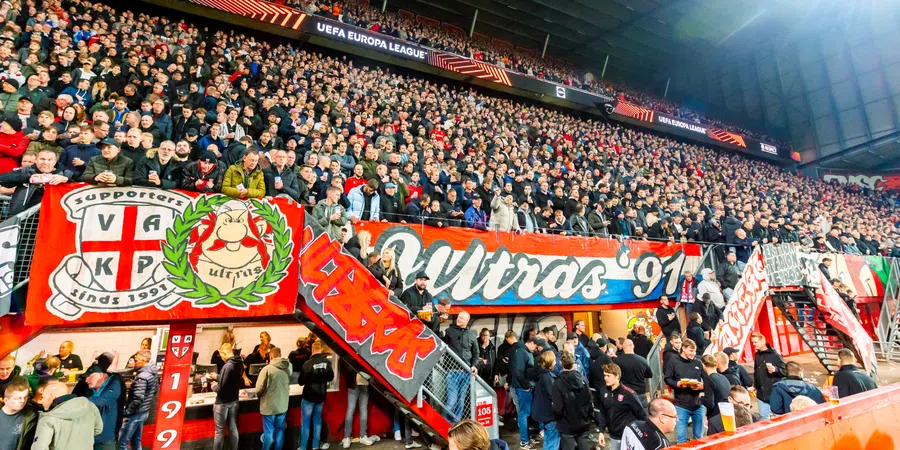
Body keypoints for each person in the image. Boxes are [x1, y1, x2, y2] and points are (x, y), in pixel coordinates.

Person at [31, 380, 102, 450]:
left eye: (43, 397)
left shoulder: (47, 419)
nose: (41, 402)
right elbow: (98, 429)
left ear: (52, 396)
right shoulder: (90, 406)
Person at [0, 149, 69, 215]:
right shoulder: (26, 172)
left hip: (53, 216)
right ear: (36, 160)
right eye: (42, 159)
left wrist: (66, 180)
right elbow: (3, 179)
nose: (45, 162)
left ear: (55, 162)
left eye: (49, 160)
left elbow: (76, 181)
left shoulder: (65, 174)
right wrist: (29, 178)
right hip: (24, 215)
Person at [550, 352, 595, 450]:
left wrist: (557, 418)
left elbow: (558, 408)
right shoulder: (583, 379)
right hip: (582, 423)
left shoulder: (558, 383)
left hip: (566, 425)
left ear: (561, 363)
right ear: (573, 363)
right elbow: (589, 400)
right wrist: (588, 417)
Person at [663, 338, 705, 444]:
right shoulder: (673, 361)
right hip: (681, 406)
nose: (693, 353)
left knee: (699, 438)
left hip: (698, 405)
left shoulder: (698, 362)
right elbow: (667, 378)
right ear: (684, 349)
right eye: (691, 350)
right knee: (681, 440)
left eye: (694, 351)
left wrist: (702, 387)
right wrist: (676, 384)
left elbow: (707, 380)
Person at [596, 363, 646, 450]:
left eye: (608, 376)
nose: (605, 378)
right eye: (604, 375)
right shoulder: (603, 391)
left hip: (628, 437)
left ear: (617, 376)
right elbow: (602, 412)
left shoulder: (629, 394)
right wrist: (601, 431)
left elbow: (642, 415)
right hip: (613, 437)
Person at [298, 340, 335, 450]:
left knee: (305, 423)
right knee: (317, 422)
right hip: (321, 396)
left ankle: (303, 447)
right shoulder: (327, 362)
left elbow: (301, 381)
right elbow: (331, 377)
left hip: (309, 396)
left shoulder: (308, 363)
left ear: (312, 349)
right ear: (321, 349)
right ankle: (315, 446)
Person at [119, 350, 158, 450]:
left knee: (122, 442)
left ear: (143, 361)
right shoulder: (153, 372)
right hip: (144, 411)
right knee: (136, 441)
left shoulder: (142, 376)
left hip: (135, 413)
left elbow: (137, 398)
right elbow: (155, 390)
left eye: (136, 361)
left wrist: (127, 412)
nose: (134, 363)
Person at [444, 311, 479, 421]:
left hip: (466, 373)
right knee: (452, 401)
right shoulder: (449, 331)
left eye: (461, 318)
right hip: (452, 371)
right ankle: (445, 424)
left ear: (467, 321)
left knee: (461, 401)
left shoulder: (472, 335)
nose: (458, 319)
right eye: (458, 317)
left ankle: (456, 423)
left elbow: (476, 353)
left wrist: (474, 365)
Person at [257, 346, 292, 450]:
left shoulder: (267, 369)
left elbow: (259, 388)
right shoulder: (288, 367)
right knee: (280, 430)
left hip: (269, 406)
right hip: (282, 405)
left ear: (271, 356)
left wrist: (259, 396)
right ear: (280, 355)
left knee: (268, 432)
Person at [83, 363, 125, 450]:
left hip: (106, 438)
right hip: (90, 436)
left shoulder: (114, 384)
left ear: (101, 375)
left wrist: (78, 401)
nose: (86, 380)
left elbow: (100, 401)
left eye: (89, 376)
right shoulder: (90, 390)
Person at [212, 343, 245, 450]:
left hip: (222, 403)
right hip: (234, 401)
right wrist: (217, 376)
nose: (221, 358)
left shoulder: (227, 366)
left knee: (219, 431)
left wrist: (213, 386)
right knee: (233, 428)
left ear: (224, 353)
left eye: (221, 355)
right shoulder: (239, 363)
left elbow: (220, 388)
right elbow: (230, 379)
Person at [342, 364, 380, 449]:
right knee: (351, 410)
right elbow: (348, 367)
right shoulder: (350, 358)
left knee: (363, 410)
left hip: (364, 384)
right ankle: (347, 437)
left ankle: (362, 436)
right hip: (354, 384)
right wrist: (362, 368)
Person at [510, 336, 537, 449]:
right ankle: (524, 441)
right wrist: (525, 386)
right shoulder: (522, 352)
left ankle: (527, 438)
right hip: (522, 388)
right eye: (535, 346)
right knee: (524, 414)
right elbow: (519, 372)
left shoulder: (525, 352)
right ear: (531, 343)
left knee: (526, 414)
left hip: (525, 387)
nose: (536, 348)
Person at [751, 332, 785, 419]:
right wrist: (755, 386)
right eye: (753, 342)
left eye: (755, 342)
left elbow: (785, 372)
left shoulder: (775, 355)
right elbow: (756, 372)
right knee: (763, 417)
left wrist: (775, 370)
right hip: (761, 394)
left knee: (778, 417)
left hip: (774, 392)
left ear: (762, 341)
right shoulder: (757, 355)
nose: (754, 344)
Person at [614, 339, 653, 410]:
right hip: (640, 393)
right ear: (633, 346)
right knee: (643, 414)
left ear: (623, 347)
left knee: (627, 414)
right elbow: (649, 375)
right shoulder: (642, 360)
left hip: (625, 393)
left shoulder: (617, 361)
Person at [0, 377, 37, 450]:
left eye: (25, 397)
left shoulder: (30, 416)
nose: (22, 401)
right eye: (18, 398)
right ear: (6, 400)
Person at [531, 351, 558, 450]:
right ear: (550, 362)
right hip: (549, 415)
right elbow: (553, 395)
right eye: (554, 360)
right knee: (552, 441)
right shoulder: (547, 377)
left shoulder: (540, 375)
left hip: (543, 413)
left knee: (548, 440)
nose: (556, 362)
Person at [701, 355, 730, 419]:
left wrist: (700, 397)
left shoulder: (709, 380)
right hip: (726, 412)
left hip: (715, 416)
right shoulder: (723, 377)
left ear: (703, 365)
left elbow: (709, 404)